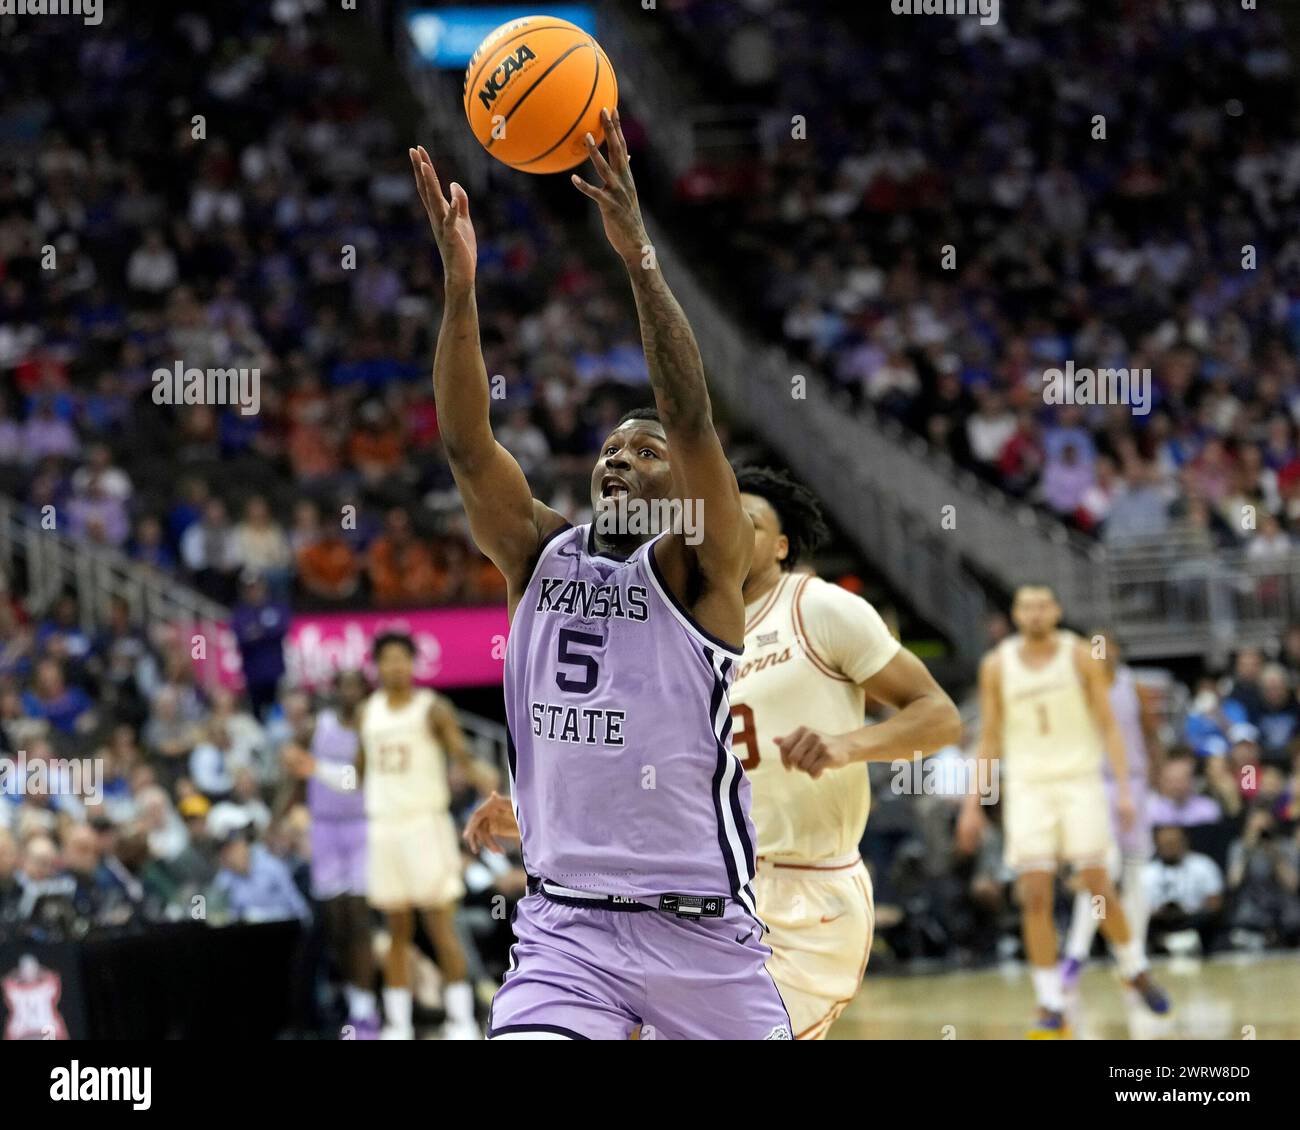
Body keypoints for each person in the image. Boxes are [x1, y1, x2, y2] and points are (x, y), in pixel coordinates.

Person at [410, 113, 792, 1040]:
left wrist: (639, 259)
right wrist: (460, 289)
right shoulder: (540, 552)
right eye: (612, 449)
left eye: (645, 451)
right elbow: (467, 445)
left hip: (701, 937)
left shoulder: (701, 571)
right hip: (565, 930)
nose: (621, 459)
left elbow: (692, 417)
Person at [957, 585, 1168, 1038]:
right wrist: (972, 806)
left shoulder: (1079, 654)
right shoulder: (996, 665)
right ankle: (1050, 1000)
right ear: (1015, 614)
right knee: (1034, 893)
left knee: (1097, 884)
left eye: (1042, 606)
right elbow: (989, 737)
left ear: (1056, 610)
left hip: (1080, 782)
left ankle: (1133, 966)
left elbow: (1110, 726)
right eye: (1026, 607)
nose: (1034, 614)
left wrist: (1127, 790)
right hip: (1029, 787)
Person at [289, 633, 487, 1040]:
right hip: (382, 829)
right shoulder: (368, 713)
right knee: (396, 930)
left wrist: (485, 785)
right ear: (377, 667)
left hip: (425, 823)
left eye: (402, 659)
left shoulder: (433, 708)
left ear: (414, 664)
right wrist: (318, 771)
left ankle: (461, 1020)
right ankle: (396, 1024)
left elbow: (462, 757)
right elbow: (356, 779)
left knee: (439, 926)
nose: (395, 666)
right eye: (387, 659)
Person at [1061, 632, 1164, 995]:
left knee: (1137, 874)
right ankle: (1076, 954)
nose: (1101, 652)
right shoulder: (1077, 688)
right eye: (1094, 646)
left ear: (1118, 649)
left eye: (1107, 645)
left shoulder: (1131, 685)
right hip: (1093, 786)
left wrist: (1155, 777)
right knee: (1099, 872)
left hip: (1132, 786)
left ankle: (1132, 960)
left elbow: (1151, 735)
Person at [287, 670, 377, 1039]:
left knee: (358, 919)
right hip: (324, 829)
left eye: (357, 685)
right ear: (336, 690)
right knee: (335, 922)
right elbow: (295, 777)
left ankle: (366, 1011)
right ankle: (353, 995)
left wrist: (315, 768)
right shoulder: (316, 726)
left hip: (360, 827)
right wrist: (281, 816)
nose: (350, 691)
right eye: (345, 685)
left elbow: (353, 780)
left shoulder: (373, 726)